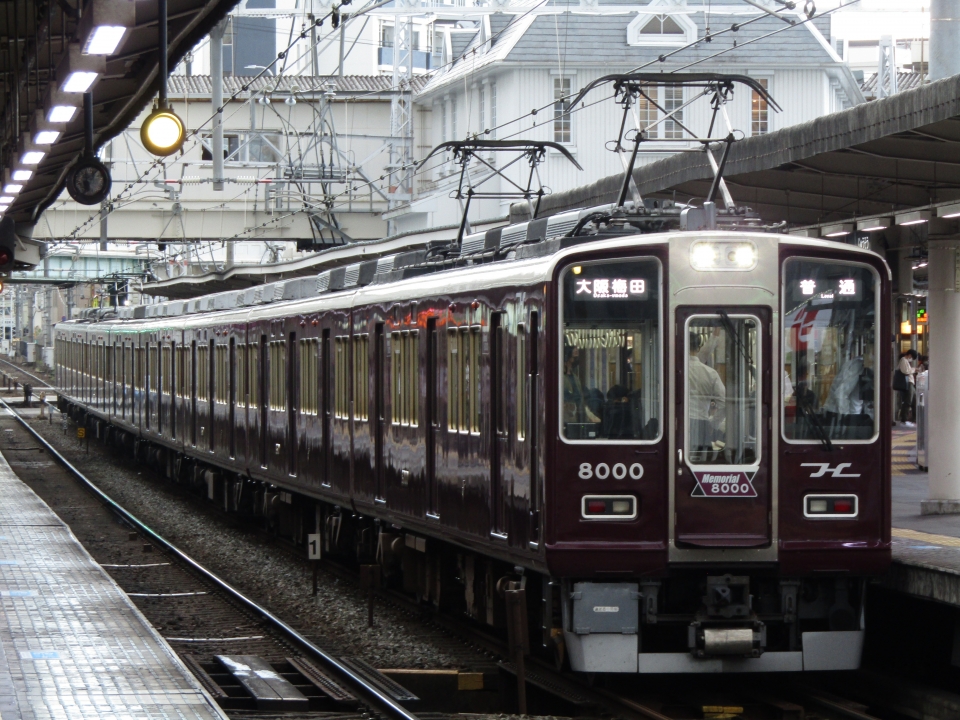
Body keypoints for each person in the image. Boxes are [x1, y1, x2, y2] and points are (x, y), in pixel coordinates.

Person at [687, 332, 726, 453]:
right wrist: (713, 424)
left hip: (677, 423)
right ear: (698, 348)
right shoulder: (711, 373)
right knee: (702, 461)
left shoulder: (673, 371)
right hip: (702, 425)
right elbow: (724, 403)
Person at [563, 345, 601, 424]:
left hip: (578, 411)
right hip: (568, 413)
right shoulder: (561, 377)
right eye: (573, 357)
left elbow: (580, 396)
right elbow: (567, 396)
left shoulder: (575, 377)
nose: (575, 359)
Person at [896, 349, 918, 426]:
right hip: (908, 382)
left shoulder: (905, 361)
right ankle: (904, 419)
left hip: (910, 382)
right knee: (908, 400)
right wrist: (914, 369)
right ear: (910, 355)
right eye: (912, 357)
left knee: (914, 400)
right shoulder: (903, 360)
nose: (911, 359)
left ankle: (914, 419)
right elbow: (905, 371)